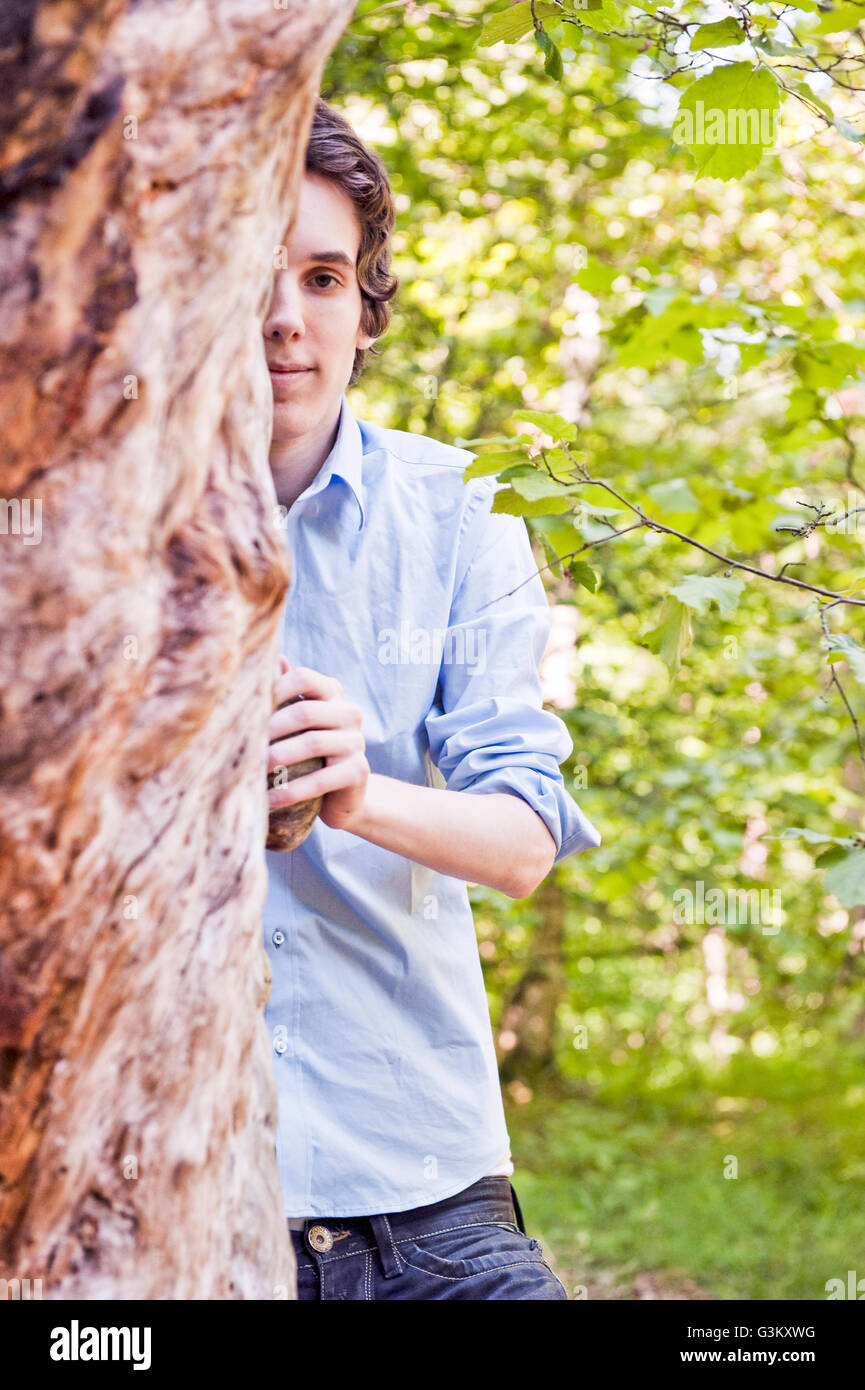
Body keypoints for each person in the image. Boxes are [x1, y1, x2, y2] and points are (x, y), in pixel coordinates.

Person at [260, 97, 601, 1300]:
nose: (282, 320)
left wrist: (359, 795)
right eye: (254, 272)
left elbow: (520, 840)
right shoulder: (83, 526)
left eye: (320, 277)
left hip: (428, 1201)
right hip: (178, 1197)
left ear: (365, 310)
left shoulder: (463, 511)